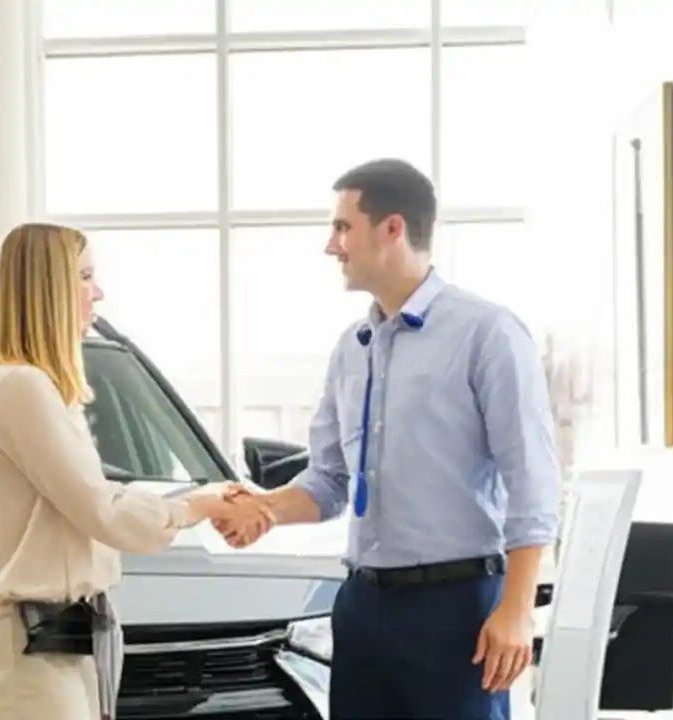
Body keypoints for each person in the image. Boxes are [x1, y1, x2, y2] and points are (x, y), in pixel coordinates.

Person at [217, 158, 561, 719]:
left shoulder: (487, 334)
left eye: (343, 227)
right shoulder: (351, 349)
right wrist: (264, 509)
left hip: (457, 610)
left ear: (392, 228)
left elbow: (533, 481)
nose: (332, 246)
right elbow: (329, 481)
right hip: (361, 608)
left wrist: (517, 608)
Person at [0, 222, 273, 720]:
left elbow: (92, 495)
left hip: (67, 640)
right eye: (85, 277)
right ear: (49, 289)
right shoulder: (19, 386)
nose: (98, 292)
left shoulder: (35, 386)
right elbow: (100, 510)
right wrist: (200, 504)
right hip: (35, 648)